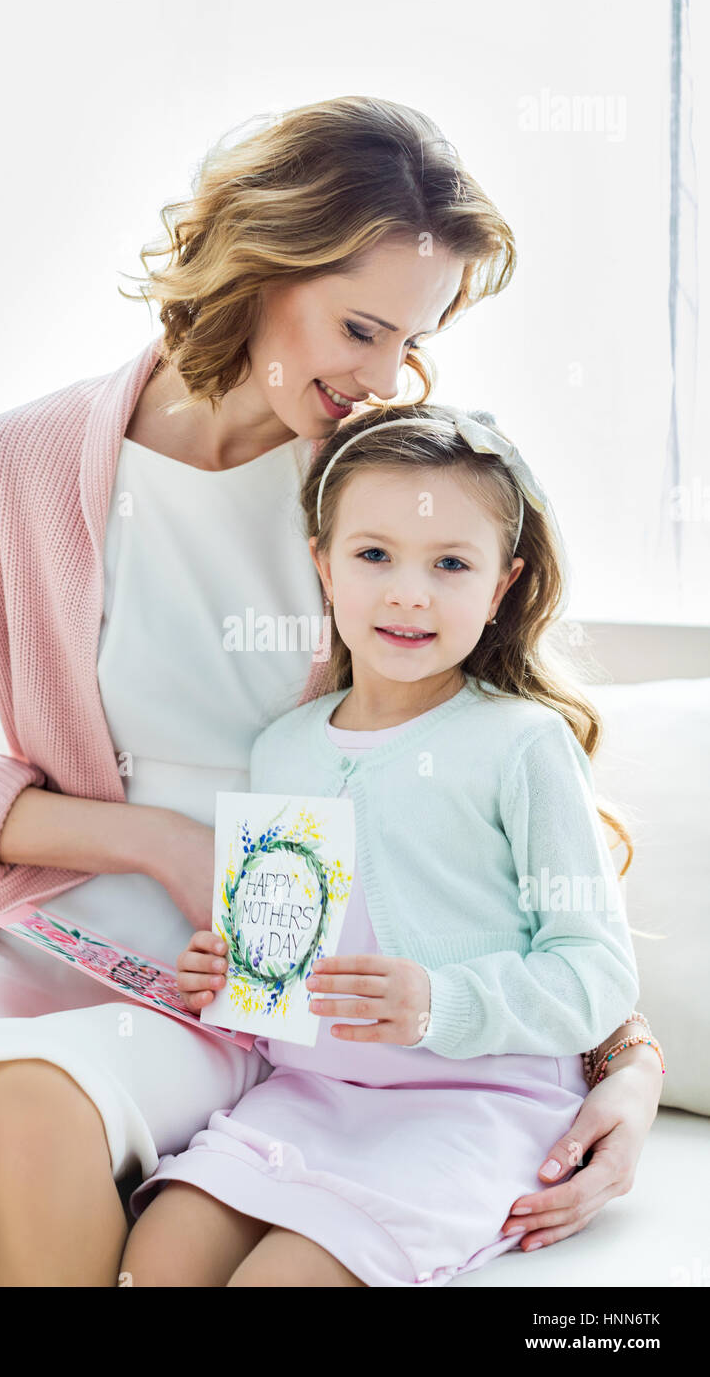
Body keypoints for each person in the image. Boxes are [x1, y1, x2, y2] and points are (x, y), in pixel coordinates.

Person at [0, 96, 664, 1288]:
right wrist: (159, 843)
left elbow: (504, 774)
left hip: (237, 975)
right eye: (359, 327)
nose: (380, 376)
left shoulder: (383, 498)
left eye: (410, 340)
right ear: (257, 265)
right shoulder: (19, 464)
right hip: (42, 920)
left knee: (41, 1108)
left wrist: (624, 1061)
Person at [122, 402, 659, 1287]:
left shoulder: (523, 746)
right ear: (323, 568)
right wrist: (228, 978)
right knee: (157, 1255)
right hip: (306, 1099)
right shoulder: (282, 747)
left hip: (474, 1105)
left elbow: (597, 975)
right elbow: (282, 958)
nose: (410, 591)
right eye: (374, 555)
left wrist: (439, 1002)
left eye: (451, 564)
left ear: (499, 587)